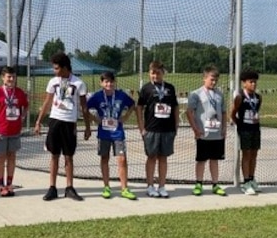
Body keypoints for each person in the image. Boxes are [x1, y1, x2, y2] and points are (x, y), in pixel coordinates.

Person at [34, 52, 92, 201]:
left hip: (69, 123)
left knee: (68, 156)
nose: (54, 71)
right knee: (54, 155)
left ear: (65, 68)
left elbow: (84, 107)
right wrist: (38, 121)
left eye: (56, 68)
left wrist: (87, 127)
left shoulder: (79, 83)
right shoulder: (53, 82)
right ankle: (52, 187)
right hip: (55, 121)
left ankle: (69, 188)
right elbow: (47, 102)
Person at [87, 71, 136, 200]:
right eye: (106, 81)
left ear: (115, 82)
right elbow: (84, 107)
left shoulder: (121, 95)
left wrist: (126, 116)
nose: (109, 84)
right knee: (104, 158)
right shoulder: (97, 96)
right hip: (103, 133)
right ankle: (106, 186)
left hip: (118, 133)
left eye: (111, 81)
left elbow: (132, 104)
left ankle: (124, 188)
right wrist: (94, 119)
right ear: (101, 83)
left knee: (122, 159)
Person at [135, 61, 178, 198]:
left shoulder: (170, 88)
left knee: (163, 158)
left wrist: (176, 126)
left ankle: (162, 186)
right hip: (151, 129)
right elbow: (139, 108)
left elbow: (175, 107)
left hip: (167, 129)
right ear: (149, 73)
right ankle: (150, 186)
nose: (155, 76)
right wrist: (141, 127)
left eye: (158, 73)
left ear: (163, 73)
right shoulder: (146, 88)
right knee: (151, 157)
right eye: (152, 73)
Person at [0, 66, 29, 196]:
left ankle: (9, 184)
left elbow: (26, 106)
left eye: (13, 77)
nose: (11, 79)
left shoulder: (19, 92)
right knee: (1, 157)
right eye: (9, 77)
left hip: (15, 131)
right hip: (1, 131)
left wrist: (22, 117)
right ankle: (1, 185)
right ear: (3, 77)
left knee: (12, 157)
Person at [186, 65, 228, 196]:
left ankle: (215, 184)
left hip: (217, 134)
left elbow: (224, 112)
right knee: (201, 160)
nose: (214, 82)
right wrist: (195, 129)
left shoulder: (220, 94)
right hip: (203, 134)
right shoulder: (196, 94)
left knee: (215, 160)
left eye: (216, 80)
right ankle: (199, 183)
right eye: (211, 79)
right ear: (204, 78)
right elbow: (189, 112)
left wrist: (224, 128)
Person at [231, 69, 262, 195]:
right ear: (244, 83)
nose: (253, 84)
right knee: (247, 154)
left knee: (254, 154)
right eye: (251, 82)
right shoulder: (240, 97)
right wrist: (240, 124)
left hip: (255, 128)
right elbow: (233, 113)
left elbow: (256, 111)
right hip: (245, 129)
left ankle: (252, 178)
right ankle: (246, 182)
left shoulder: (258, 97)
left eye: (255, 82)